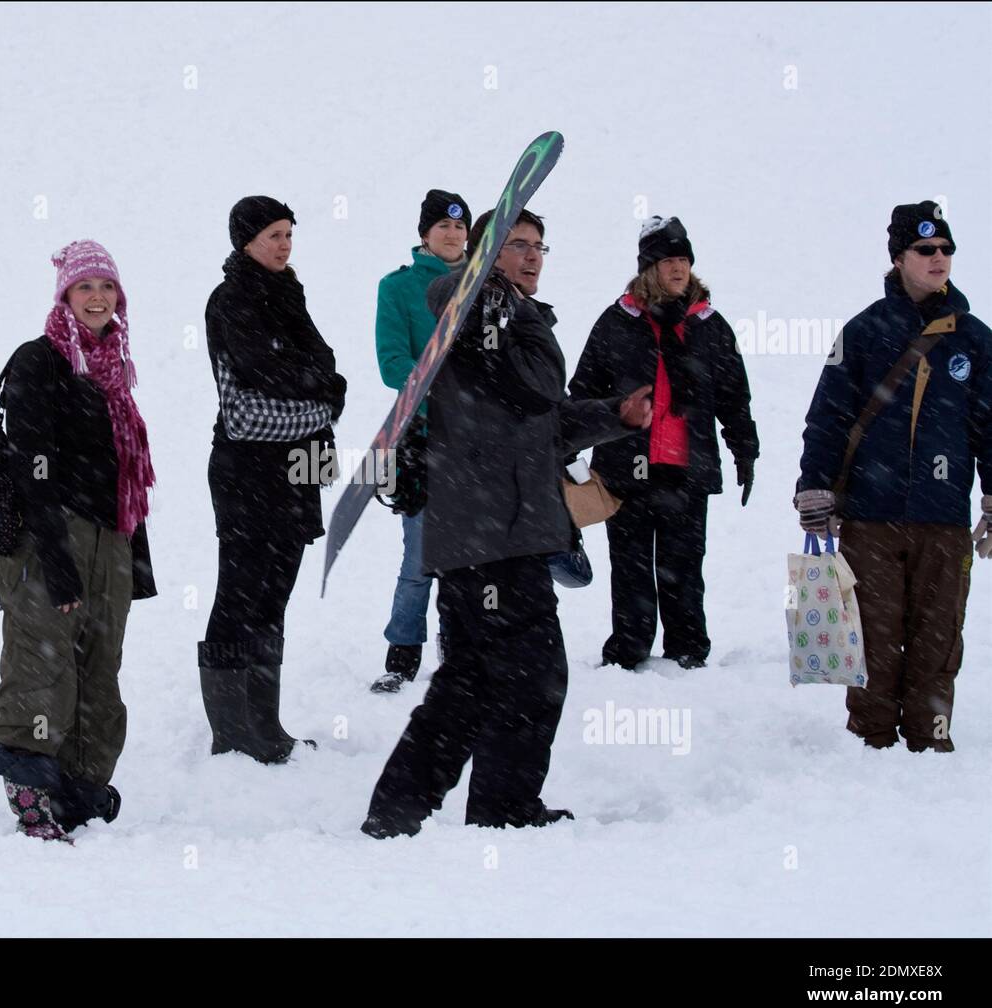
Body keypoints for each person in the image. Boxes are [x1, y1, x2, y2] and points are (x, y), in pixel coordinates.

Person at [362, 209, 651, 838]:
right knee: (534, 675)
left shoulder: (498, 317)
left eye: (539, 246)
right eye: (516, 245)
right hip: (492, 535)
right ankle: (502, 807)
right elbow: (534, 381)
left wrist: (615, 417)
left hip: (485, 533)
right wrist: (498, 308)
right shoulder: (475, 314)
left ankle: (398, 811)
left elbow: (538, 422)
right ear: (486, 255)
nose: (532, 256)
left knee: (467, 682)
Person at [795, 201, 991, 752]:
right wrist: (816, 485)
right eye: (926, 250)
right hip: (871, 517)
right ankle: (871, 740)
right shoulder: (863, 332)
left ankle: (931, 740)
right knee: (873, 639)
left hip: (944, 518)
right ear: (900, 258)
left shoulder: (975, 340)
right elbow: (828, 417)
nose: (939, 259)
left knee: (938, 639)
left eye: (946, 250)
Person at [0, 240, 157, 839]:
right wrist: (55, 558)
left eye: (107, 287)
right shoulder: (41, 361)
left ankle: (79, 785)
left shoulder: (115, 372)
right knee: (42, 660)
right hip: (46, 538)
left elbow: (125, 472)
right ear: (65, 296)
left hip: (110, 541)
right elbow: (31, 461)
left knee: (98, 669)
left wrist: (134, 557)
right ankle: (30, 787)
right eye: (85, 287)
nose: (98, 298)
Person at [568, 216, 759, 670]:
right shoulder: (616, 321)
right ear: (648, 268)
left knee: (684, 568)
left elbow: (734, 396)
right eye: (668, 260)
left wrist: (744, 450)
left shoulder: (710, 325)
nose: (678, 268)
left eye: (684, 260)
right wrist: (568, 448)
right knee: (630, 568)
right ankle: (628, 652)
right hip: (625, 469)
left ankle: (688, 651)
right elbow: (583, 392)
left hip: (686, 470)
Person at [199, 196, 347, 764]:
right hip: (245, 470)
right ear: (245, 241)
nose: (284, 245)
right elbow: (265, 371)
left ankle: (266, 724)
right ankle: (231, 732)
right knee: (239, 593)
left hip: (295, 469)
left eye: (289, 233)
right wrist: (320, 391)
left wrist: (315, 382)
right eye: (273, 236)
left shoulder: (290, 291)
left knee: (275, 596)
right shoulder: (231, 298)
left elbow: (323, 361)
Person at [370, 188, 471, 693]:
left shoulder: (485, 285)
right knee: (420, 557)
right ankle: (402, 657)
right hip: (426, 440)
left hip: (481, 443)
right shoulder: (399, 288)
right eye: (444, 227)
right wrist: (442, 392)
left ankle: (464, 653)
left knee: (476, 557)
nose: (453, 235)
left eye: (460, 227)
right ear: (425, 234)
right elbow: (392, 363)